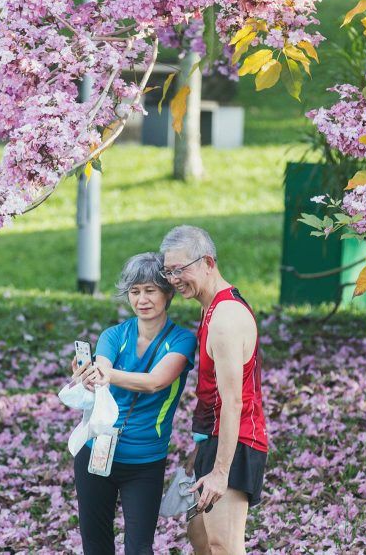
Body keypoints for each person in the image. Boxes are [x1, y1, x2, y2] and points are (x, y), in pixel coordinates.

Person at [71, 252, 197, 555]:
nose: (142, 299)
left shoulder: (182, 340)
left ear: (167, 293)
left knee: (140, 548)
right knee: (96, 546)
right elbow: (101, 369)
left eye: (150, 290)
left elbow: (156, 381)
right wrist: (87, 376)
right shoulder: (114, 335)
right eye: (135, 291)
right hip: (96, 452)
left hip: (144, 461)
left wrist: (106, 374)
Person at [159, 226, 268, 555]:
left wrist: (221, 472)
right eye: (169, 271)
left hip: (238, 443)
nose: (174, 279)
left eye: (181, 269)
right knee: (201, 539)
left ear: (208, 261)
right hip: (213, 439)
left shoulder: (226, 317)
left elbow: (233, 402)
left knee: (224, 546)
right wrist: (198, 453)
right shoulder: (209, 308)